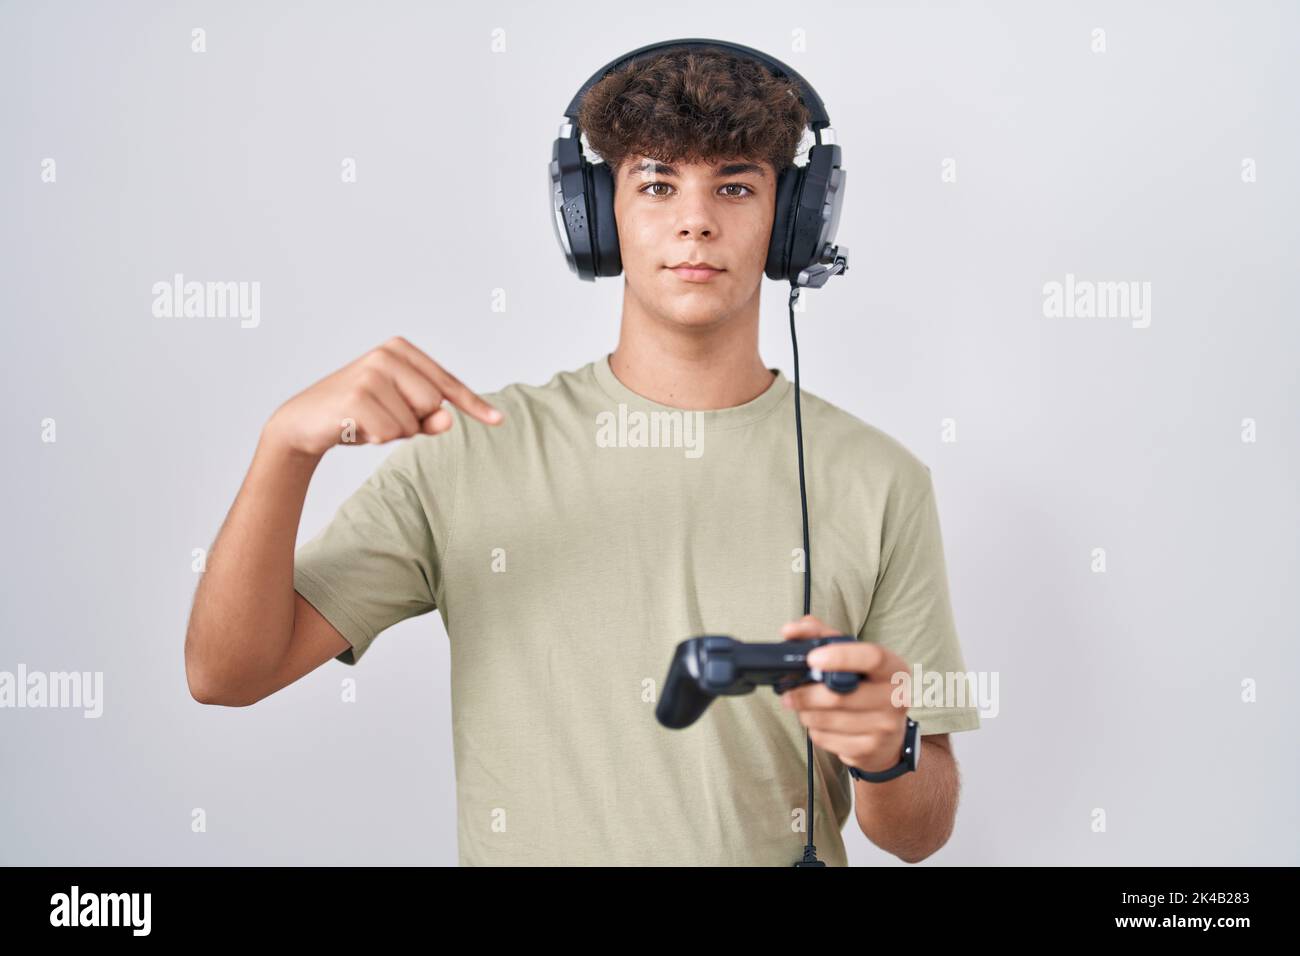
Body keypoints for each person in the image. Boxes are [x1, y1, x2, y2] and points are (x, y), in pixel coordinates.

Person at [184, 45, 980, 866]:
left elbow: (920, 834)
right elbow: (227, 675)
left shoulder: (881, 481)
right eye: (657, 183)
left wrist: (888, 750)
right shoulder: (469, 452)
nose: (695, 219)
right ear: (596, 216)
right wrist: (286, 448)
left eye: (735, 187)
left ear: (794, 220)